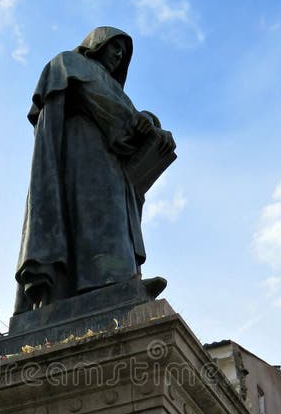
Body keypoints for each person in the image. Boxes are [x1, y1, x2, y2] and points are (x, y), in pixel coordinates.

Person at [14, 26, 175, 312]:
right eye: (115, 46)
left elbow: (128, 116)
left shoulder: (114, 88)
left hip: (112, 164)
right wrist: (136, 121)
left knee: (113, 218)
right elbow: (103, 104)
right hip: (81, 153)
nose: (119, 54)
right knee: (94, 215)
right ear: (97, 42)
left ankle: (122, 280)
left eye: (124, 53)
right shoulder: (69, 63)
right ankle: (111, 285)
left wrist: (150, 122)